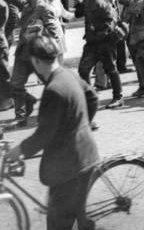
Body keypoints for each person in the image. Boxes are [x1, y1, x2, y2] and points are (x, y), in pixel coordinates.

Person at [6, 35, 100, 230]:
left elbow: (43, 135)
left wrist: (18, 151)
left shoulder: (54, 90)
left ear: (36, 61)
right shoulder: (68, 74)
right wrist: (81, 125)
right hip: (87, 155)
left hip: (70, 168)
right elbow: (92, 97)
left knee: (58, 224)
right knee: (79, 217)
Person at [9, 0, 63, 127]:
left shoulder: (45, 8)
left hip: (38, 55)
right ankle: (21, 115)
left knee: (53, 85)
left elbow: (54, 35)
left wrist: (40, 33)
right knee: (15, 85)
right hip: (23, 53)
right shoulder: (27, 6)